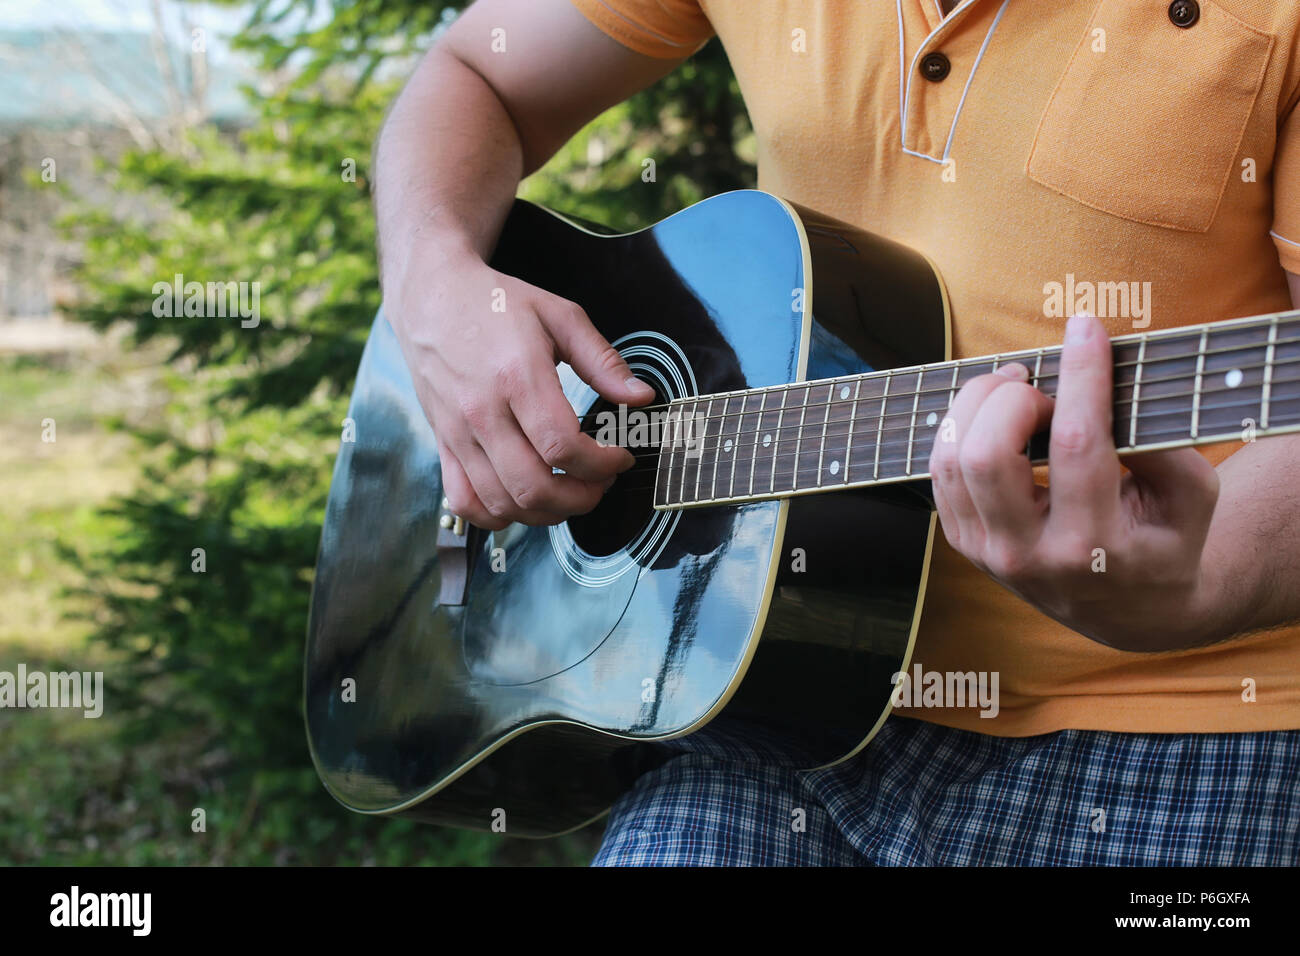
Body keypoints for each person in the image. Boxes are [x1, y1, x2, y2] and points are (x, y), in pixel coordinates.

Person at [373, 0, 1300, 864]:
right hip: (770, 691)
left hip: (1194, 726)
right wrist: (435, 281)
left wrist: (1189, 590)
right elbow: (476, 74)